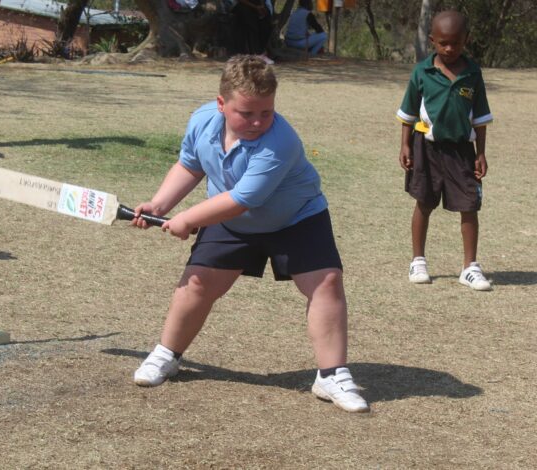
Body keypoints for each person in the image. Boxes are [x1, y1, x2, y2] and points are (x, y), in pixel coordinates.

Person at [131, 55, 369, 413]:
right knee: (197, 282)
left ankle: (332, 376)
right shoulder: (201, 122)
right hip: (231, 220)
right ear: (221, 104)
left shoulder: (281, 142)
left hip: (297, 218)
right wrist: (160, 204)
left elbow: (243, 199)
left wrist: (188, 219)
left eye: (266, 112)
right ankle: (166, 355)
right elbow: (189, 164)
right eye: (247, 113)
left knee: (326, 283)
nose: (258, 122)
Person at [395, 10, 493, 292]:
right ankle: (418, 260)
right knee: (424, 203)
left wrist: (481, 152)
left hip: (462, 149)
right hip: (426, 148)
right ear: (432, 41)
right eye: (443, 43)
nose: (450, 49)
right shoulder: (421, 72)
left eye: (456, 43)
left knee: (469, 206)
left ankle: (470, 267)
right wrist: (404, 144)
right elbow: (408, 113)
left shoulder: (473, 74)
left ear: (466, 40)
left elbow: (481, 119)